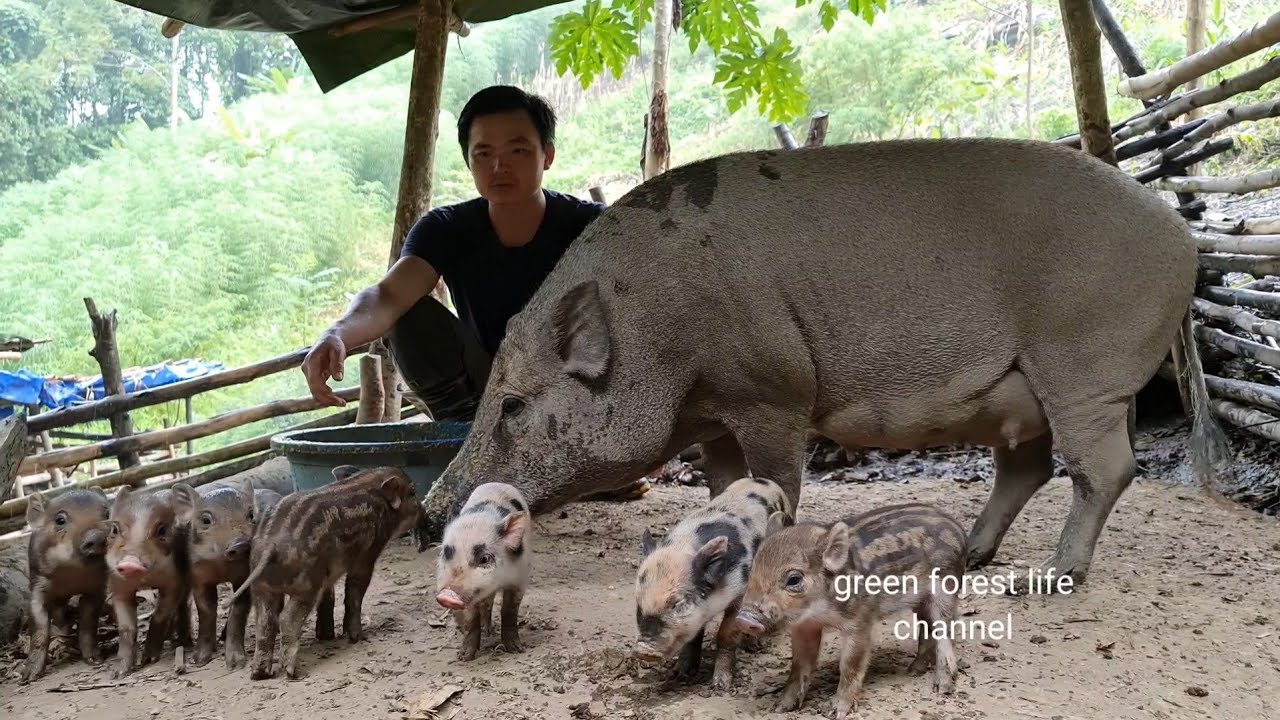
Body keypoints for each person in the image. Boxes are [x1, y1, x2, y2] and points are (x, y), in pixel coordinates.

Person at [301, 85, 606, 424]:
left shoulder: (591, 225)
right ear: (469, 161)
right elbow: (387, 296)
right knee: (408, 317)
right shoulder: (446, 227)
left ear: (547, 155)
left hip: (580, 387)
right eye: (484, 154)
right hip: (489, 389)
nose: (499, 166)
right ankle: (467, 432)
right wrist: (337, 333)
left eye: (517, 151)